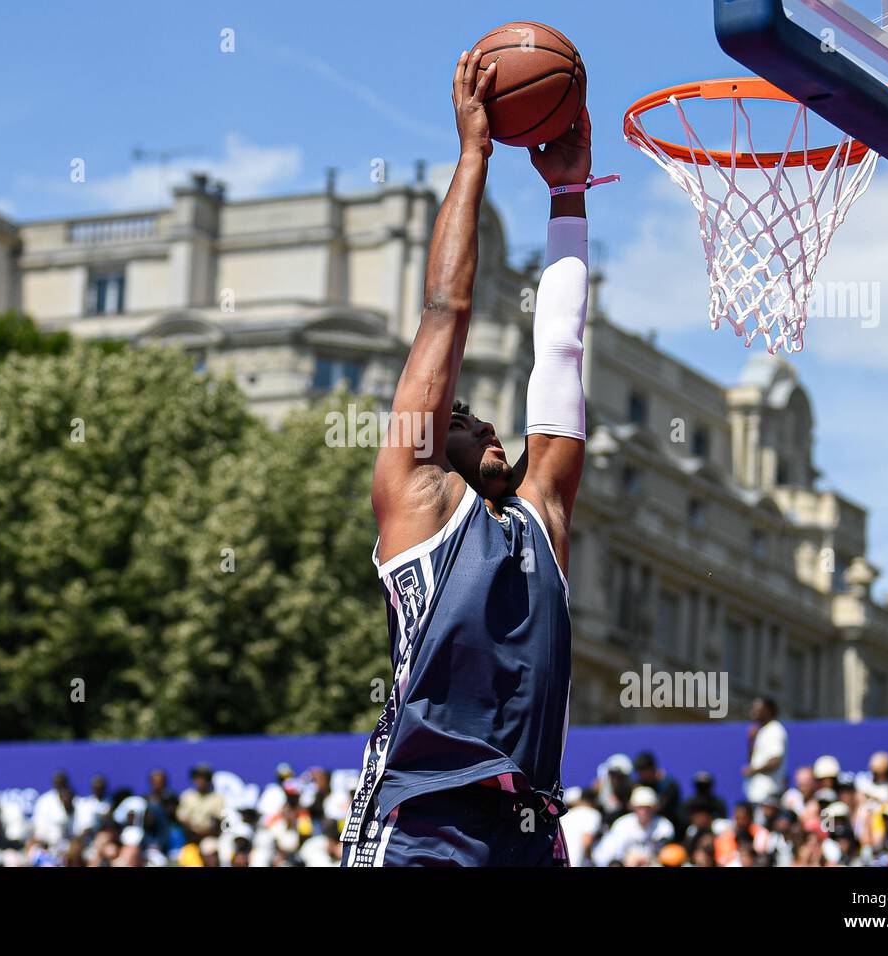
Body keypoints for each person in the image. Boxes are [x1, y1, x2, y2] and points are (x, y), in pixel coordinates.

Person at [341, 48, 593, 868]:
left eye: (483, 416)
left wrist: (568, 197)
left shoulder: (541, 517)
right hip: (423, 814)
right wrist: (475, 154)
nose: (481, 420)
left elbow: (561, 348)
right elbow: (446, 309)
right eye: (458, 418)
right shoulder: (418, 505)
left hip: (530, 826)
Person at [594, 787, 675, 867]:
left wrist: (646, 859)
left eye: (647, 807)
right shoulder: (622, 824)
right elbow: (608, 854)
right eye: (640, 807)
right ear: (633, 807)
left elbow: (667, 855)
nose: (644, 811)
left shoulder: (664, 826)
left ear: (655, 808)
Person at [743, 697, 787, 804]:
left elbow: (775, 761)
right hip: (755, 793)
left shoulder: (775, 729)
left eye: (757, 708)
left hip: (768, 795)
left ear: (768, 710)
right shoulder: (761, 731)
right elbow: (752, 760)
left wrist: (753, 770)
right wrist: (752, 741)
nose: (753, 711)